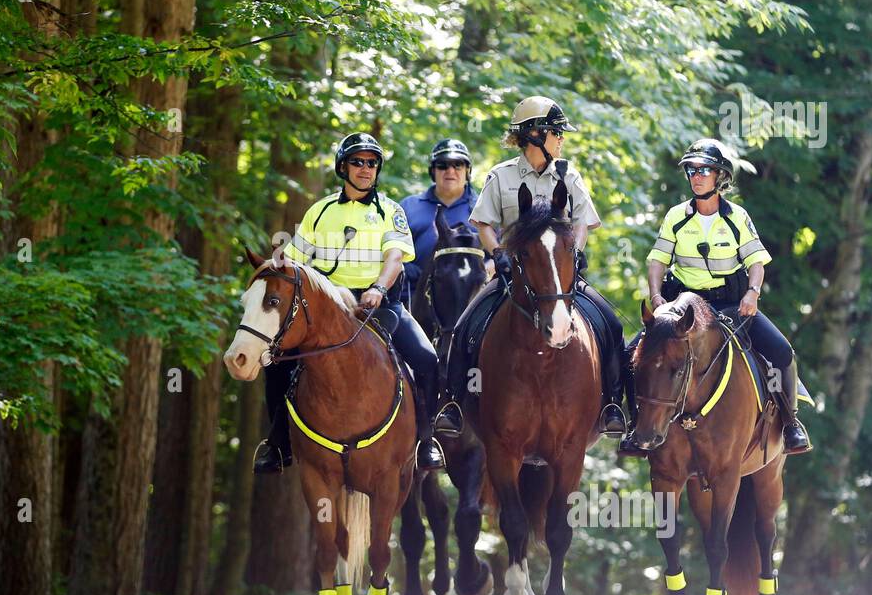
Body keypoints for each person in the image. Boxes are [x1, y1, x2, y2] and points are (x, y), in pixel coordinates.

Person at [252, 132, 447, 474]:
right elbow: (294, 260)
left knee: (427, 360)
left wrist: (378, 288)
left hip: (379, 303)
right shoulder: (320, 211)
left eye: (372, 163)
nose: (365, 169)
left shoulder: (391, 211)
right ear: (343, 167)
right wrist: (273, 265)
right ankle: (279, 444)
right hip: (328, 309)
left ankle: (426, 442)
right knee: (277, 361)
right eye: (358, 162)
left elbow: (395, 259)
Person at [434, 96, 629, 436]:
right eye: (556, 132)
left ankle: (612, 404)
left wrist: (578, 250)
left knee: (611, 324)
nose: (561, 138)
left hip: (561, 277)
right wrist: (498, 254)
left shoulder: (570, 176)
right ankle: (451, 403)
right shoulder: (501, 175)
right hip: (515, 276)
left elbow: (583, 220)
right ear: (535, 134)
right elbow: (482, 224)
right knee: (466, 324)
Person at [621, 139, 811, 455]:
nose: (697, 176)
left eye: (704, 169)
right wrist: (656, 296)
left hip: (730, 305)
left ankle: (790, 423)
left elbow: (755, 262)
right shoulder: (675, 217)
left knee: (781, 352)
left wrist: (752, 293)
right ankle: (634, 425)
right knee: (631, 355)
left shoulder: (737, 218)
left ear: (719, 176)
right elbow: (657, 260)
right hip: (682, 309)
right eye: (692, 170)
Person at [398, 139, 485, 306]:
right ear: (433, 171)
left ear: (468, 171)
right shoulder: (407, 207)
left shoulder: (484, 208)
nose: (450, 171)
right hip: (412, 300)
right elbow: (390, 252)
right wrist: (405, 266)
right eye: (443, 165)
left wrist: (484, 271)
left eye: (457, 165)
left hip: (470, 304)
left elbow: (502, 251)